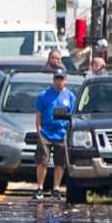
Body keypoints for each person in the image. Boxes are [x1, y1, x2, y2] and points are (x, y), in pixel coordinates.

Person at [32, 69, 76, 198]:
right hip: (45, 133)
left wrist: (68, 132)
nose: (59, 81)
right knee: (42, 161)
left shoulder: (70, 97)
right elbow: (38, 114)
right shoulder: (44, 95)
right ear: (53, 80)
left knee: (60, 163)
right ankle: (40, 188)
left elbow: (73, 116)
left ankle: (56, 188)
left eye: (61, 78)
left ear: (65, 80)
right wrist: (39, 130)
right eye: (57, 78)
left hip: (61, 133)